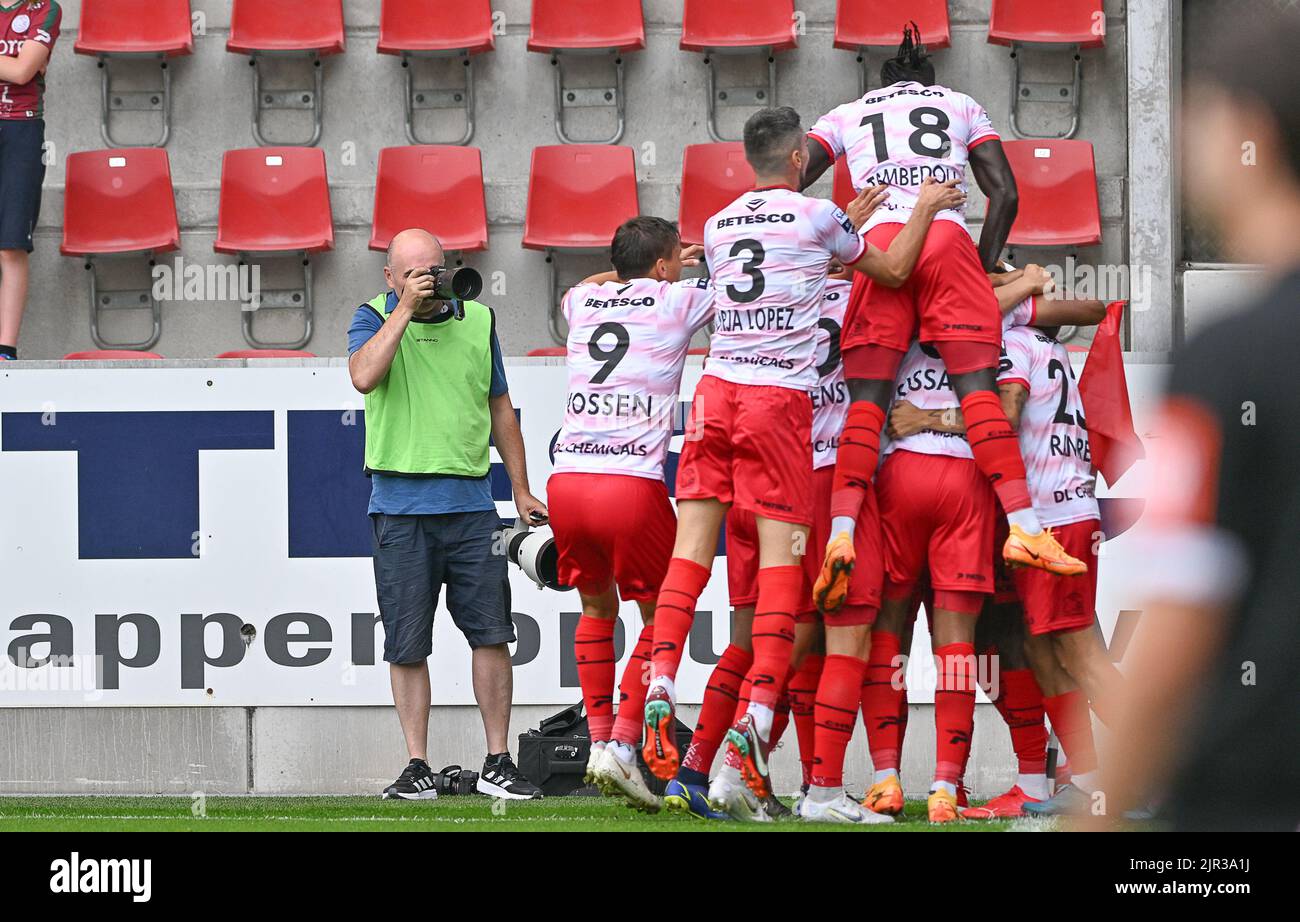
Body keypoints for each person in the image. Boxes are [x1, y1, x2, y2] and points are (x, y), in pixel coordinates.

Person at [636, 105, 964, 821]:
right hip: (801, 446)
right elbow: (899, 265)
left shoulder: (723, 225)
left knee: (734, 608)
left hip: (716, 397)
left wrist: (841, 219)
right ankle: (791, 769)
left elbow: (791, 249)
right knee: (835, 624)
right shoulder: (840, 256)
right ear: (798, 162)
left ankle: (667, 704)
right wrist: (925, 209)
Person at [1092, 6, 1300, 832]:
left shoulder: (1227, 360)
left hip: (1247, 801)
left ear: (1244, 127)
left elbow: (1178, 620)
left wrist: (1099, 811)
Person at [799, 25, 1086, 614]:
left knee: (867, 405)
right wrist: (979, 269)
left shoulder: (847, 112)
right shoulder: (961, 103)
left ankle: (840, 535)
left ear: (881, 85)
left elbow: (792, 174)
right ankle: (1027, 529)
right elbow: (1005, 193)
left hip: (879, 243)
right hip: (947, 240)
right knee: (979, 392)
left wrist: (830, 227)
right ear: (931, 83)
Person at [348, 229, 547, 801]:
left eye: (435, 268)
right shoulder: (371, 317)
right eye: (413, 273)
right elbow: (364, 376)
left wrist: (521, 488)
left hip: (471, 506)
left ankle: (497, 760)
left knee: (491, 634)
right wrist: (405, 312)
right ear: (390, 278)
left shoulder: (478, 321)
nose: (429, 279)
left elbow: (499, 405)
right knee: (407, 643)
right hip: (399, 506)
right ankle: (417, 766)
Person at [546, 216, 715, 812]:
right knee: (662, 616)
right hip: (629, 482)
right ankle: (622, 741)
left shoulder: (585, 298)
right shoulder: (677, 301)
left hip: (568, 478)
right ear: (667, 267)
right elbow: (752, 287)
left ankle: (597, 743)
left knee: (595, 606)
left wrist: (650, 265)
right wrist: (679, 268)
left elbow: (604, 278)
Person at [0, 0, 61, 361]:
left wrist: (17, 66)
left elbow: (24, 71)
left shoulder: (46, 8)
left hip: (21, 130)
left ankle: (5, 350)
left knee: (11, 244)